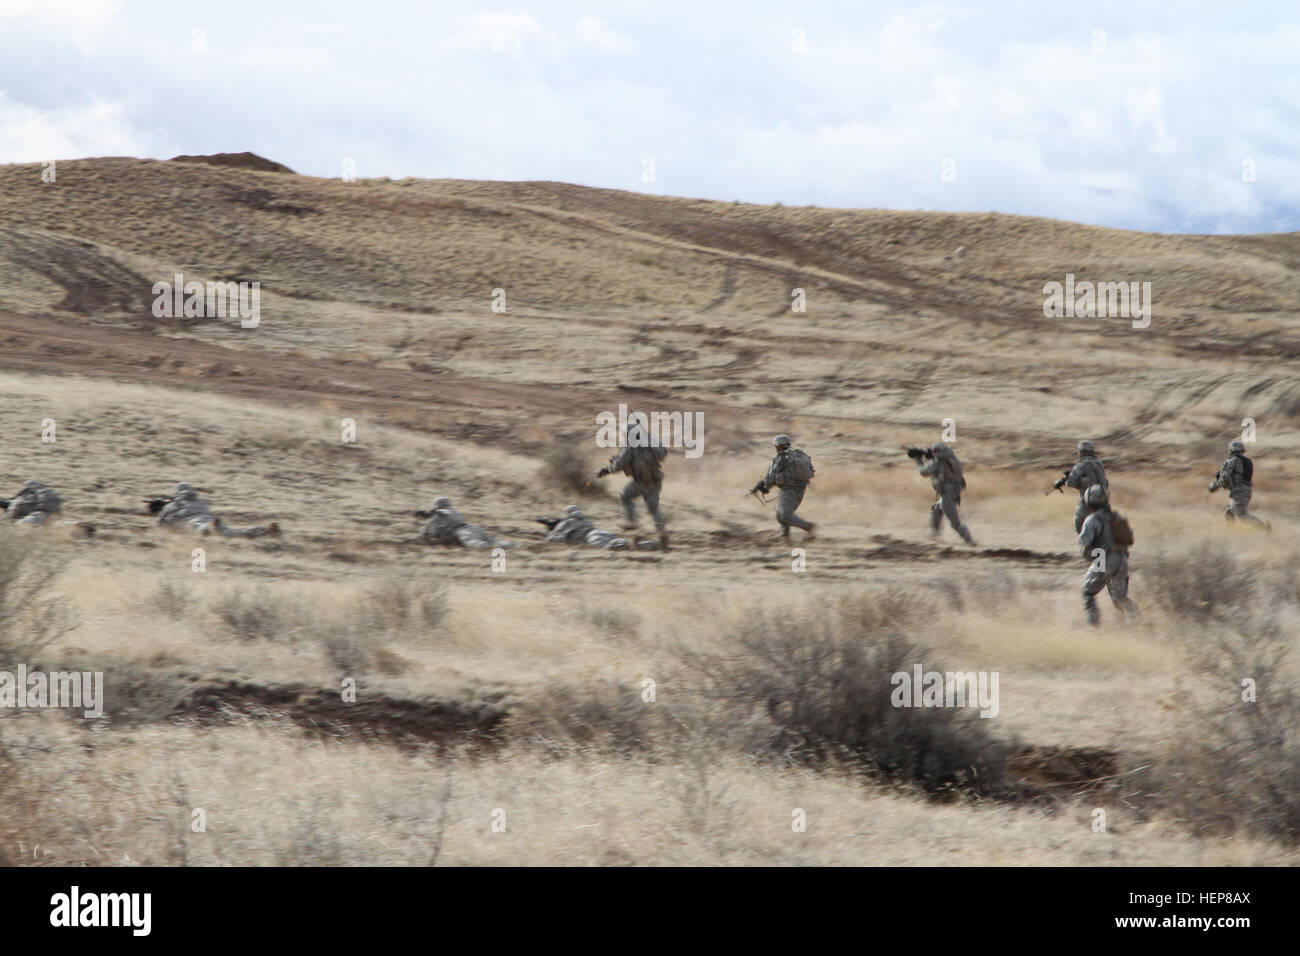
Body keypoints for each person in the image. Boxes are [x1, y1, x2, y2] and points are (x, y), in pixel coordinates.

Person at [750, 435, 815, 540]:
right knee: (781, 513)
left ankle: (808, 527)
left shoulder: (780, 459)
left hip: (789, 491)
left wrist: (763, 487)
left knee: (783, 515)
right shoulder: (797, 454)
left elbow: (771, 478)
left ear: (778, 447)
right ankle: (785, 535)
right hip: (800, 489)